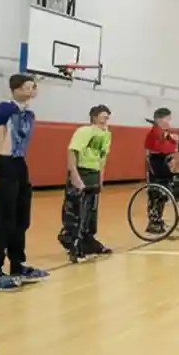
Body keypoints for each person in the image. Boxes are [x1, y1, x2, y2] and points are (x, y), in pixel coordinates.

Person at [0, 74, 49, 291]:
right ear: (16, 89)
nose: (32, 91)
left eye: (34, 87)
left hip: (19, 164)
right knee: (4, 220)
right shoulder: (4, 110)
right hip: (3, 164)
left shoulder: (28, 114)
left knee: (22, 219)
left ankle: (17, 265)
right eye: (28, 87)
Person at [58, 104, 113, 260]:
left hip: (93, 174)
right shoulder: (84, 131)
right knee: (75, 211)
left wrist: (101, 178)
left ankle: (88, 240)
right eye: (103, 116)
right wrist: (74, 175)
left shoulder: (106, 134)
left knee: (90, 211)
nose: (105, 120)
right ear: (94, 117)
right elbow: (72, 151)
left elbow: (103, 157)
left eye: (107, 117)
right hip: (81, 172)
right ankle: (71, 241)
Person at [144, 107, 179, 233]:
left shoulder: (162, 132)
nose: (169, 122)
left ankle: (158, 220)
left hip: (163, 163)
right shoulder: (155, 132)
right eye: (167, 119)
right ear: (159, 120)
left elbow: (172, 145)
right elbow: (161, 147)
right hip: (156, 165)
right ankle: (153, 223)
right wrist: (173, 140)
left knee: (163, 195)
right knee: (156, 194)